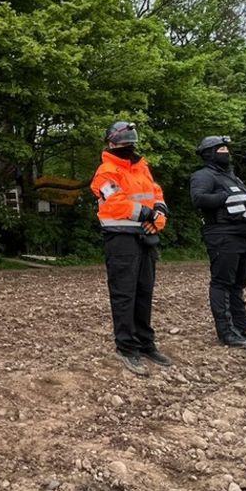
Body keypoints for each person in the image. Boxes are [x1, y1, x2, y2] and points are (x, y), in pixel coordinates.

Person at [90, 121, 172, 376]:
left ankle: (146, 343)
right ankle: (126, 347)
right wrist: (149, 214)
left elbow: (156, 193)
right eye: (123, 141)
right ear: (110, 143)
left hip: (146, 236)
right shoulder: (106, 171)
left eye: (130, 141)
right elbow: (115, 203)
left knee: (144, 292)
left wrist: (159, 217)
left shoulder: (142, 167)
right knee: (125, 295)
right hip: (121, 239)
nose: (128, 145)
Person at [189, 135, 246, 348]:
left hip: (242, 234)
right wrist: (224, 197)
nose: (225, 152)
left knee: (238, 284)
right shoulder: (204, 175)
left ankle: (243, 324)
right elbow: (198, 199)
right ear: (209, 153)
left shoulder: (232, 176)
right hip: (221, 234)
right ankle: (226, 331)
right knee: (222, 283)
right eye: (221, 148)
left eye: (227, 148)